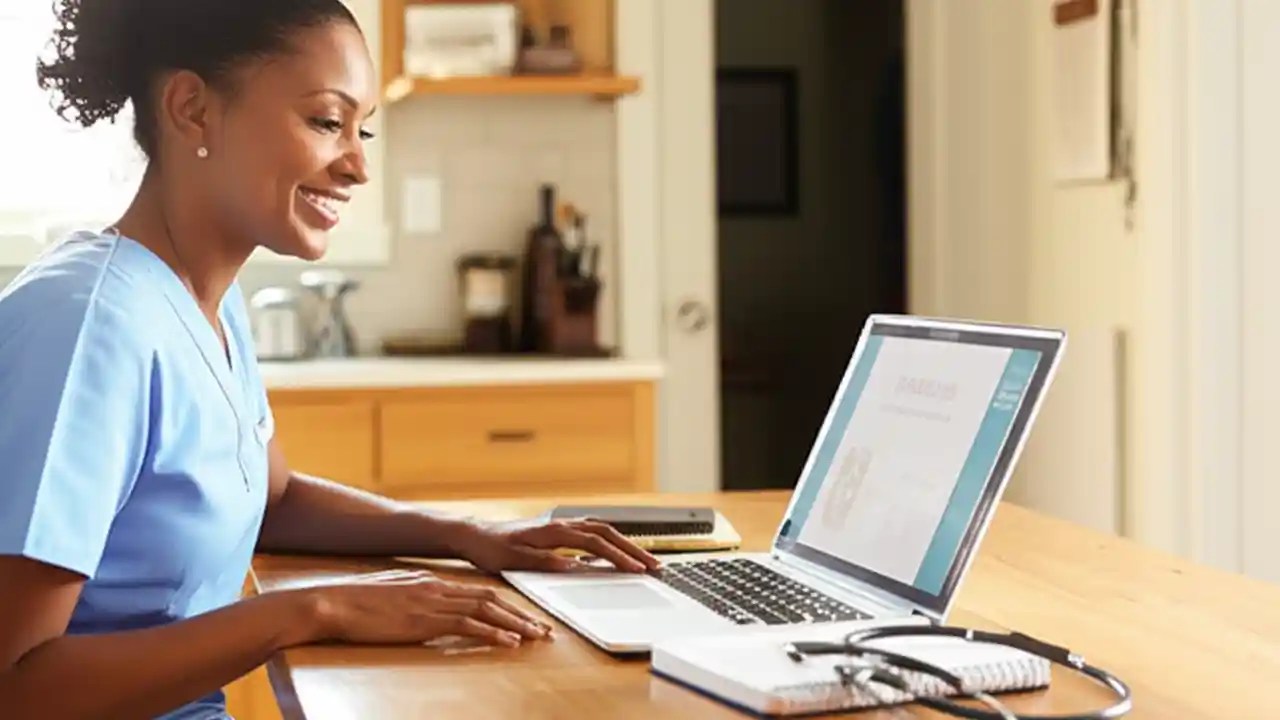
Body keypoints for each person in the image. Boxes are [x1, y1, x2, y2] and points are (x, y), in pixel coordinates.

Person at [0, 2, 659, 718]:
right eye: (325, 121)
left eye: (361, 129)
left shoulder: (207, 302)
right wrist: (313, 610)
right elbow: (15, 683)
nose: (358, 165)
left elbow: (273, 500)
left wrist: (465, 534)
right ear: (192, 109)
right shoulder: (90, 324)